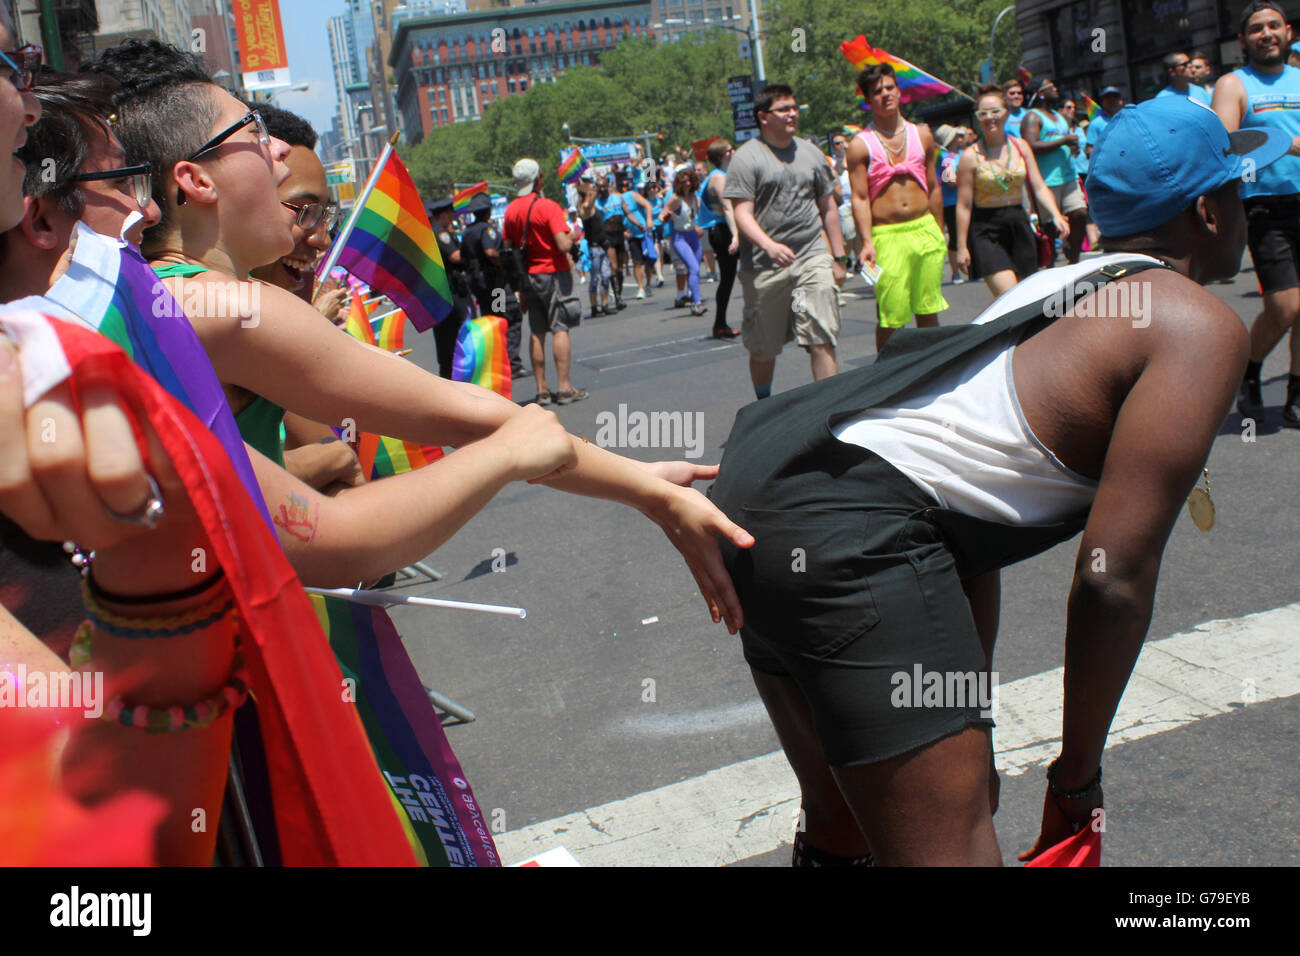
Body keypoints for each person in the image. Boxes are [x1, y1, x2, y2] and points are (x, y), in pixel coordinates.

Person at [709, 95, 1289, 866]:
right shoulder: (1195, 324)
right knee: (951, 845)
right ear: (1210, 212)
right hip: (853, 526)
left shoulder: (1051, 287)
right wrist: (1076, 780)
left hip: (767, 488)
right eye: (1235, 192)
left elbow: (951, 505)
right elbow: (1112, 581)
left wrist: (959, 720)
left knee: (848, 825)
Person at [85, 39, 753, 618]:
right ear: (195, 179)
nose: (281, 148)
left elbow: (473, 420)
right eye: (255, 133)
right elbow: (350, 524)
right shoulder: (228, 308)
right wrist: (635, 489)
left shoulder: (165, 296)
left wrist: (635, 482)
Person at [724, 83, 848, 398]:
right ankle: (763, 404)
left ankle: (829, 409)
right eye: (783, 109)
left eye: (794, 107)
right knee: (764, 348)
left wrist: (839, 257)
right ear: (763, 116)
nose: (792, 113)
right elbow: (742, 213)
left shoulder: (810, 152)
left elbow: (829, 207)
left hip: (811, 255)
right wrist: (768, 245)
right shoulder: (746, 157)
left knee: (821, 335)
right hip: (764, 265)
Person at [1214, 0, 1300, 427]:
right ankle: (1248, 370)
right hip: (1264, 204)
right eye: (1256, 29)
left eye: (1273, 25)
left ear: (1289, 32)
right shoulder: (1234, 83)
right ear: (1243, 40)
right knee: (1285, 306)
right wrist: (1283, 143)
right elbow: (1223, 142)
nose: (1266, 33)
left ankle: (1295, 393)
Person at [849, 64, 949, 352]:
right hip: (886, 236)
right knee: (891, 315)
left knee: (928, 308)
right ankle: (889, 374)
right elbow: (859, 197)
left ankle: (932, 370)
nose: (885, 95)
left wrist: (940, 231)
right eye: (877, 92)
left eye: (889, 88)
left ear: (899, 91)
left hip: (924, 229)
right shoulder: (860, 145)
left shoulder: (922, 134)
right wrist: (866, 241)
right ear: (868, 101)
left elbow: (933, 186)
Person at [956, 86, 1067, 298]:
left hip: (1019, 224)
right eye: (983, 113)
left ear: (1006, 112)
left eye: (996, 111)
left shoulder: (1021, 147)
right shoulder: (970, 156)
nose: (990, 118)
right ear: (977, 117)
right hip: (986, 231)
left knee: (1028, 299)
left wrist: (1056, 214)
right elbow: (964, 205)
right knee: (1009, 297)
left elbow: (1039, 185)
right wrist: (962, 247)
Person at [504, 158, 587, 406]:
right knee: (560, 327)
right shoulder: (548, 207)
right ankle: (563, 387)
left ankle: (541, 389)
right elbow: (562, 245)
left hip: (529, 275)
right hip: (553, 272)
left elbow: (507, 247)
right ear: (538, 178)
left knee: (537, 331)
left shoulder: (511, 211)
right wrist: (572, 237)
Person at [460, 191, 529, 378]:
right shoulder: (486, 230)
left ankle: (497, 361)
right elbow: (490, 252)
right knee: (508, 317)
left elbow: (464, 257)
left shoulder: (467, 232)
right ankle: (511, 363)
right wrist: (505, 263)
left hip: (478, 283)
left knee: (490, 319)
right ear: (488, 210)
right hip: (495, 283)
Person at [1021, 76, 1089, 265]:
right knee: (1048, 227)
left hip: (1068, 177)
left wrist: (1072, 146)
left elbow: (1065, 141)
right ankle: (1049, 266)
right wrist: (1063, 141)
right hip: (1045, 181)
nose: (1056, 90)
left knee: (1080, 214)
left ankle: (1073, 260)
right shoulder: (1032, 117)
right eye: (1051, 87)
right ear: (1041, 94)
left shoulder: (1059, 117)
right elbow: (1030, 145)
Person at [698, 139, 741, 338]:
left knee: (730, 277)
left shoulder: (720, 175)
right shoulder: (718, 177)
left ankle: (721, 323)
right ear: (724, 155)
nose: (734, 152)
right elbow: (727, 208)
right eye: (731, 149)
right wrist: (736, 236)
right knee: (727, 278)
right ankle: (720, 323)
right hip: (723, 230)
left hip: (723, 229)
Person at [427, 196, 472, 379]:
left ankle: (449, 377)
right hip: (451, 293)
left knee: (446, 340)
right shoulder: (440, 233)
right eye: (450, 215)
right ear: (443, 215)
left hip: (439, 294)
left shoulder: (433, 232)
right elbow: (455, 256)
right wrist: (471, 251)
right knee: (462, 332)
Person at [660, 166, 708, 317]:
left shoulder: (695, 197)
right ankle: (696, 303)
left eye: (689, 180)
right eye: (684, 181)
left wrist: (703, 226)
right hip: (680, 237)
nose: (687, 183)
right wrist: (665, 216)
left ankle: (695, 300)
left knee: (696, 270)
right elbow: (661, 216)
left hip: (693, 236)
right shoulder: (675, 198)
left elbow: (702, 215)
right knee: (693, 268)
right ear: (679, 183)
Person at [934, 124, 975, 284]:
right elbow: (950, 180)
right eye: (957, 136)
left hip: (966, 199)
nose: (961, 138)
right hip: (951, 203)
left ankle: (972, 267)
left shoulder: (960, 154)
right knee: (955, 236)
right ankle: (955, 271)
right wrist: (969, 180)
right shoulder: (946, 158)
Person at [575, 172, 613, 318]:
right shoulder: (585, 207)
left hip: (602, 245)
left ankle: (604, 305)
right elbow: (589, 201)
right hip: (594, 247)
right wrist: (596, 186)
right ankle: (594, 307)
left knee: (605, 276)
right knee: (595, 278)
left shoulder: (591, 205)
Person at [618, 176, 656, 299]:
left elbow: (648, 205)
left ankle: (648, 284)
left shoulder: (631, 195)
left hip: (645, 232)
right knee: (637, 262)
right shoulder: (614, 202)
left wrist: (649, 220)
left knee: (649, 260)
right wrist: (623, 232)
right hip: (632, 236)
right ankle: (640, 288)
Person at [595, 174, 628, 310]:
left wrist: (638, 224)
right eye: (599, 187)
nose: (602, 189)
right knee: (613, 266)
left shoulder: (617, 198)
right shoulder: (597, 203)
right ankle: (617, 298)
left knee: (620, 267)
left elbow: (627, 213)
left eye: (604, 186)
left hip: (619, 233)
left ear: (608, 186)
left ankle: (619, 294)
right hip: (607, 236)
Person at [1085, 86, 1124, 160]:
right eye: (1108, 98)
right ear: (1103, 102)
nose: (1112, 100)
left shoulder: (1128, 119)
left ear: (1121, 101)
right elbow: (1089, 151)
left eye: (1115, 97)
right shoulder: (1095, 124)